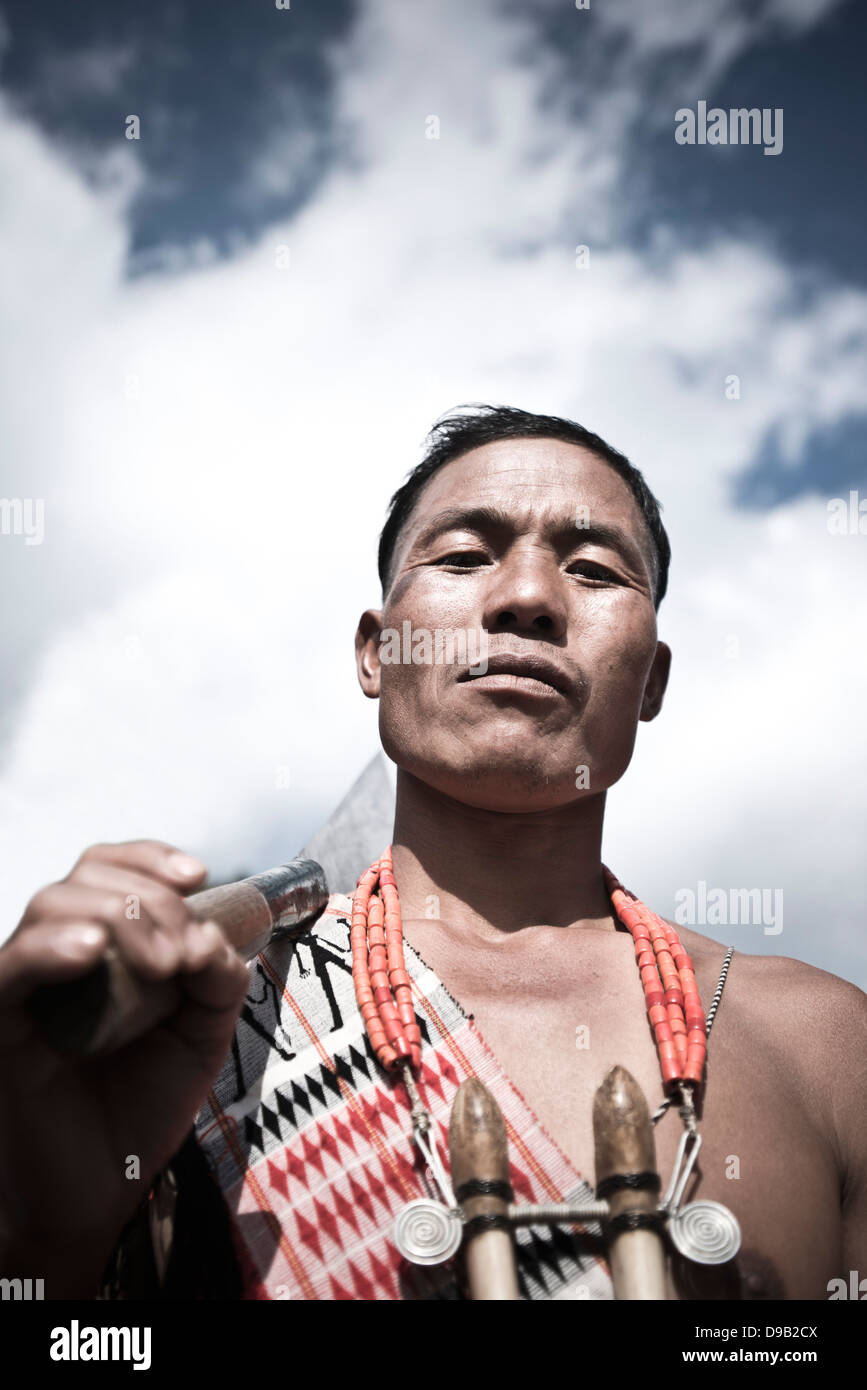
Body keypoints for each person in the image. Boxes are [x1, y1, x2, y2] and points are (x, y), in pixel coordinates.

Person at [1, 404, 864, 1301]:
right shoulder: (196, 1007)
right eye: (460, 558)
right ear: (376, 653)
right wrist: (48, 1233)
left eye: (594, 570)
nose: (526, 598)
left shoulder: (823, 1045)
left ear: (651, 680)